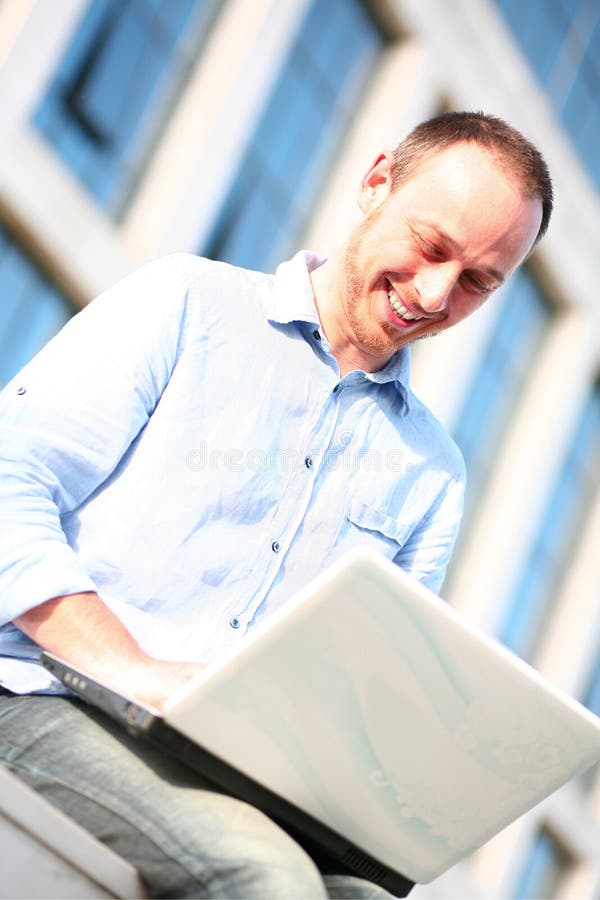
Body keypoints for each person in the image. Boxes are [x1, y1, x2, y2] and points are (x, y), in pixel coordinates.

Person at [0, 111, 552, 898]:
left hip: (235, 787)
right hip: (43, 698)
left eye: (477, 283)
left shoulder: (434, 476)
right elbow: (10, 485)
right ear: (376, 183)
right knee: (270, 878)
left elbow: (365, 694)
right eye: (433, 247)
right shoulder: (186, 302)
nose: (436, 293)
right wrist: (133, 672)